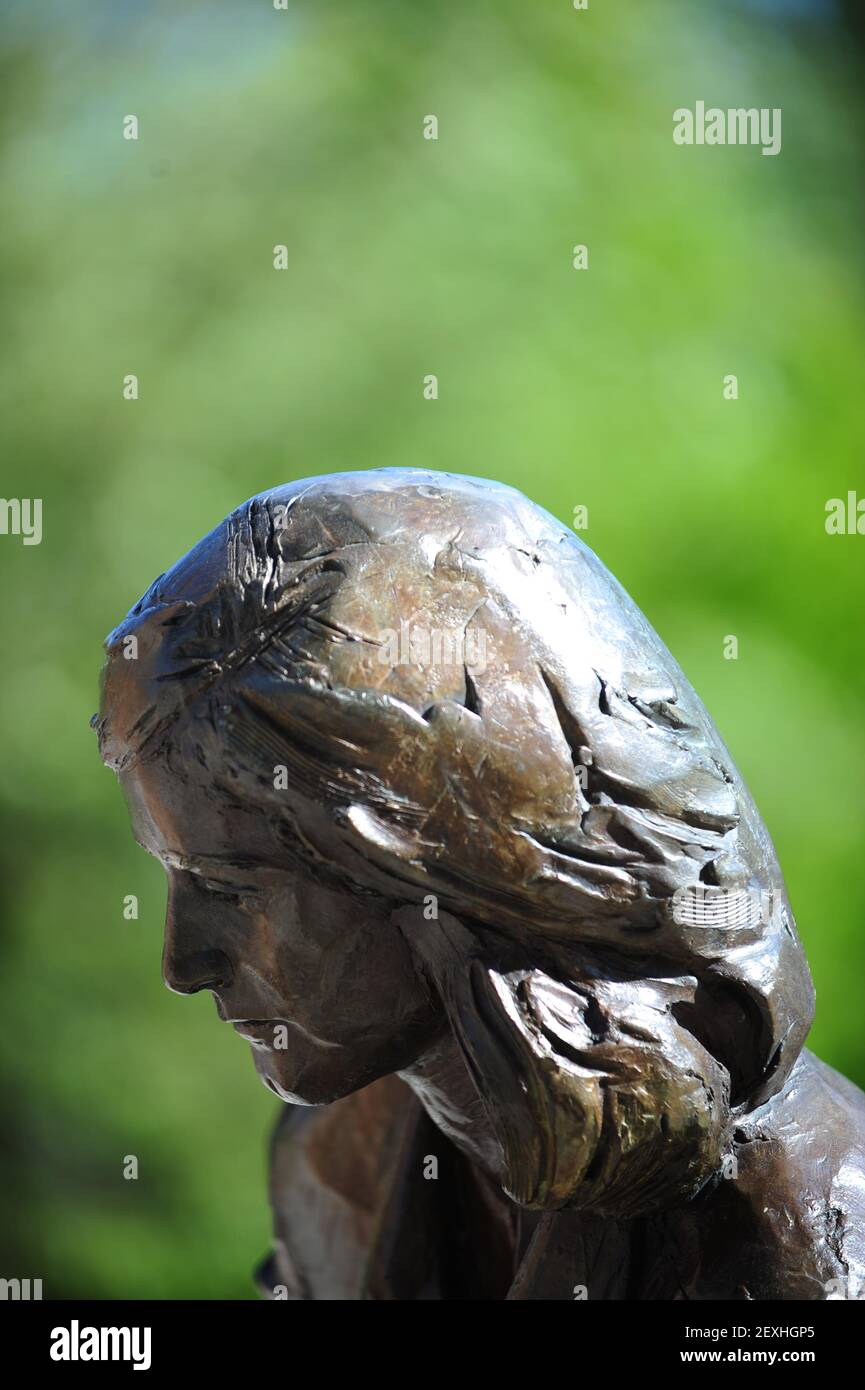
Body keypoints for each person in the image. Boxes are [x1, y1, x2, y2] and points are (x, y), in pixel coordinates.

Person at [95, 468, 865, 1299]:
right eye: (176, 876)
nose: (183, 962)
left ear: (442, 867)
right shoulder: (331, 1158)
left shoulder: (800, 1251)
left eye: (235, 887)